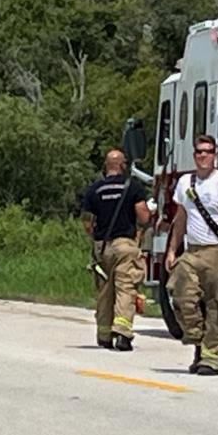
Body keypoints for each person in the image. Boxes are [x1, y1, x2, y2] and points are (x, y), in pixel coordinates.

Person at [165, 134, 218, 375]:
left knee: (216, 305)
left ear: (215, 154)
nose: (203, 156)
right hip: (192, 251)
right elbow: (181, 218)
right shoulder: (185, 183)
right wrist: (171, 250)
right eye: (199, 151)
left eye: (208, 151)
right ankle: (197, 339)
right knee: (181, 296)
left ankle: (210, 358)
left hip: (217, 251)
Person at [81, 149, 150, 351]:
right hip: (125, 246)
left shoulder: (95, 189)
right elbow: (144, 216)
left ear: (106, 165)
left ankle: (103, 335)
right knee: (125, 288)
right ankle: (122, 333)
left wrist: (95, 239)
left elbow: (87, 221)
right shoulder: (132, 187)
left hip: (103, 247)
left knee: (105, 291)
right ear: (122, 165)